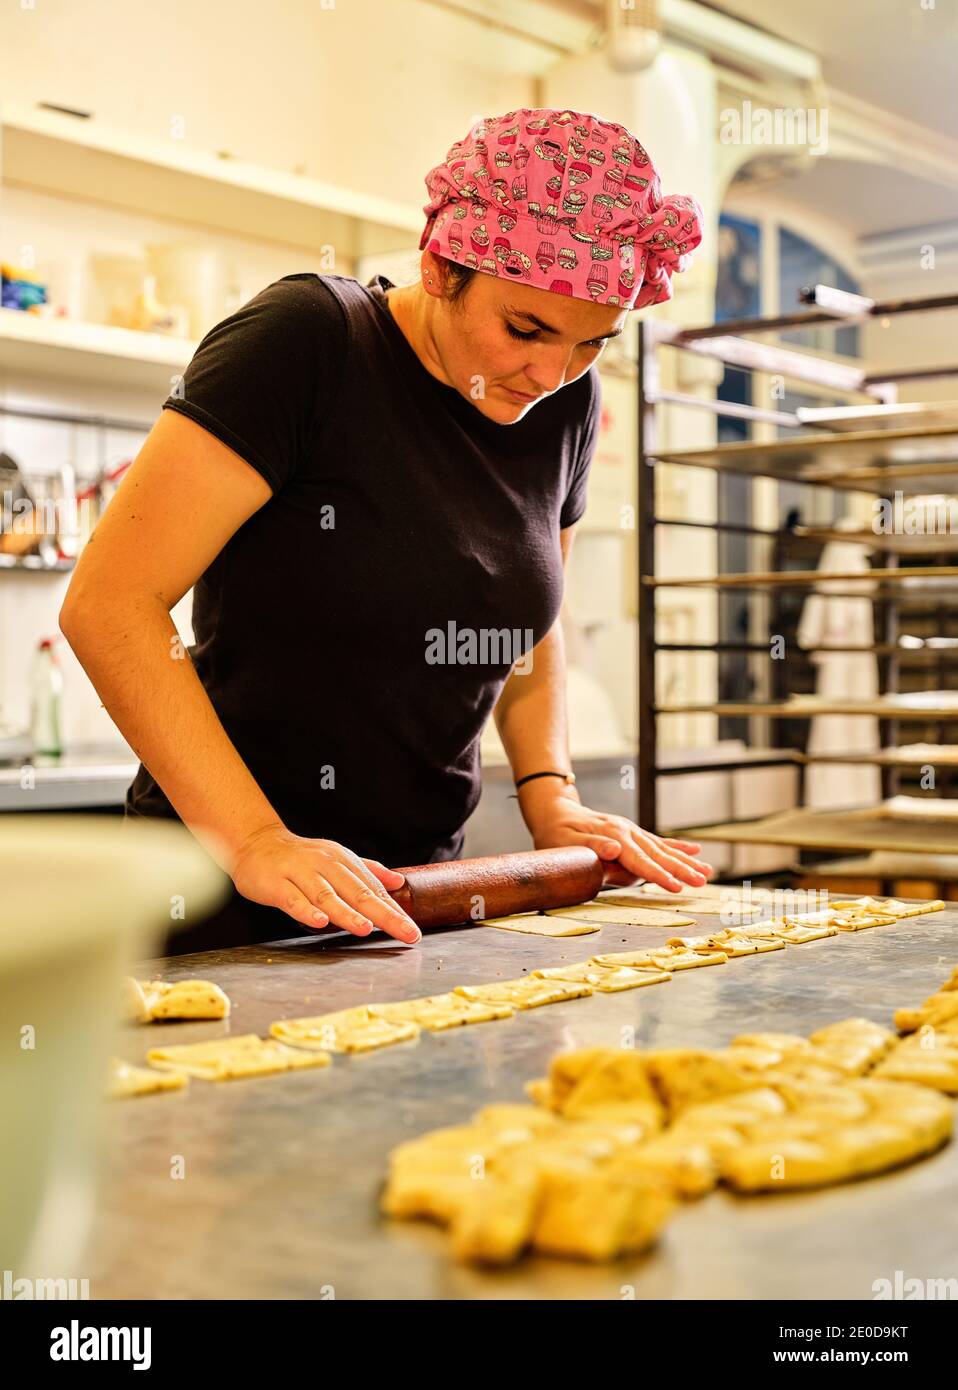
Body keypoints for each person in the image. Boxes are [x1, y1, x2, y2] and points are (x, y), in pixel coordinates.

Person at [59, 105, 710, 953]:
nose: (551, 374)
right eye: (525, 329)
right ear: (442, 268)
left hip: (417, 902)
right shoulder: (309, 344)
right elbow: (110, 604)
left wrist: (552, 798)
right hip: (213, 895)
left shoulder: (567, 409)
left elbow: (526, 629)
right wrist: (258, 842)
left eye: (592, 343)